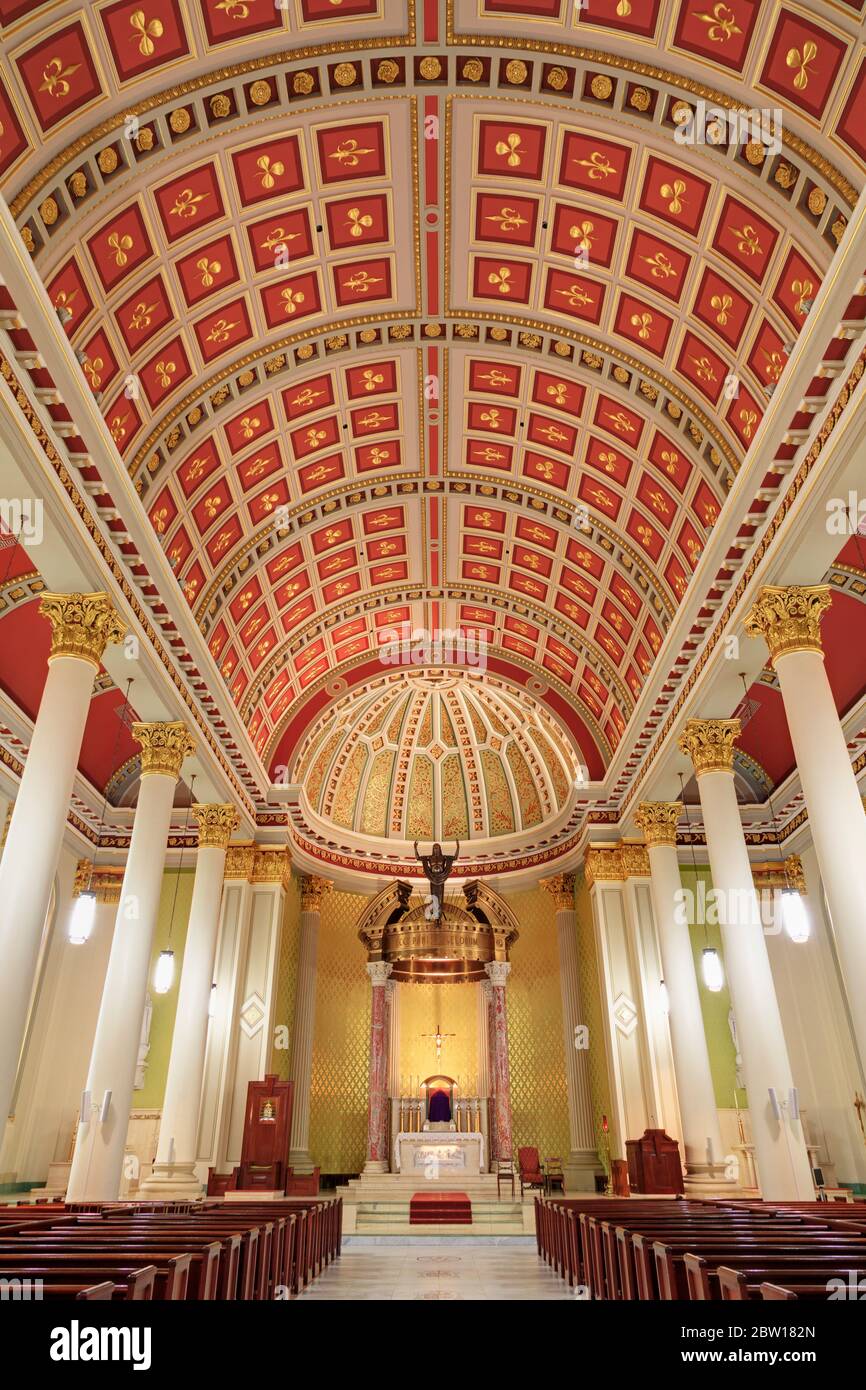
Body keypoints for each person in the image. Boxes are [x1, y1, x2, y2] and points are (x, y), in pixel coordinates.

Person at [413, 840, 460, 920]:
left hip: (441, 877)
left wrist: (458, 847)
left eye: (437, 847)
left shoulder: (444, 857)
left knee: (440, 896)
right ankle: (435, 912)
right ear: (433, 849)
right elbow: (418, 858)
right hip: (432, 877)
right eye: (434, 848)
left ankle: (439, 913)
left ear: (440, 849)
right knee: (434, 895)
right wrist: (415, 848)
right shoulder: (429, 857)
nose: (436, 849)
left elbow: (454, 857)